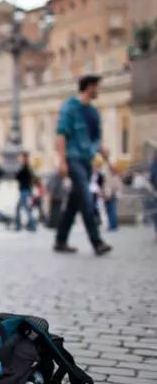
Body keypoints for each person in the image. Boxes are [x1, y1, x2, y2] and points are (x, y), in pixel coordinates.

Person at [54, 75, 111, 256]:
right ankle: (97, 242)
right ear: (89, 87)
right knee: (86, 199)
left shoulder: (94, 113)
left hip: (86, 161)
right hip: (73, 159)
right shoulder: (70, 107)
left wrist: (110, 162)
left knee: (74, 202)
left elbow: (96, 141)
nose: (99, 91)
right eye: (97, 87)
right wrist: (62, 161)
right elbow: (61, 135)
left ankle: (60, 240)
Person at [14, 153, 37, 232]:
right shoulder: (27, 168)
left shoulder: (25, 168)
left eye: (21, 158)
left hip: (24, 191)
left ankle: (20, 226)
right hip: (26, 190)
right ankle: (30, 225)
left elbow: (17, 176)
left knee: (23, 208)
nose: (19, 159)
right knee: (26, 208)